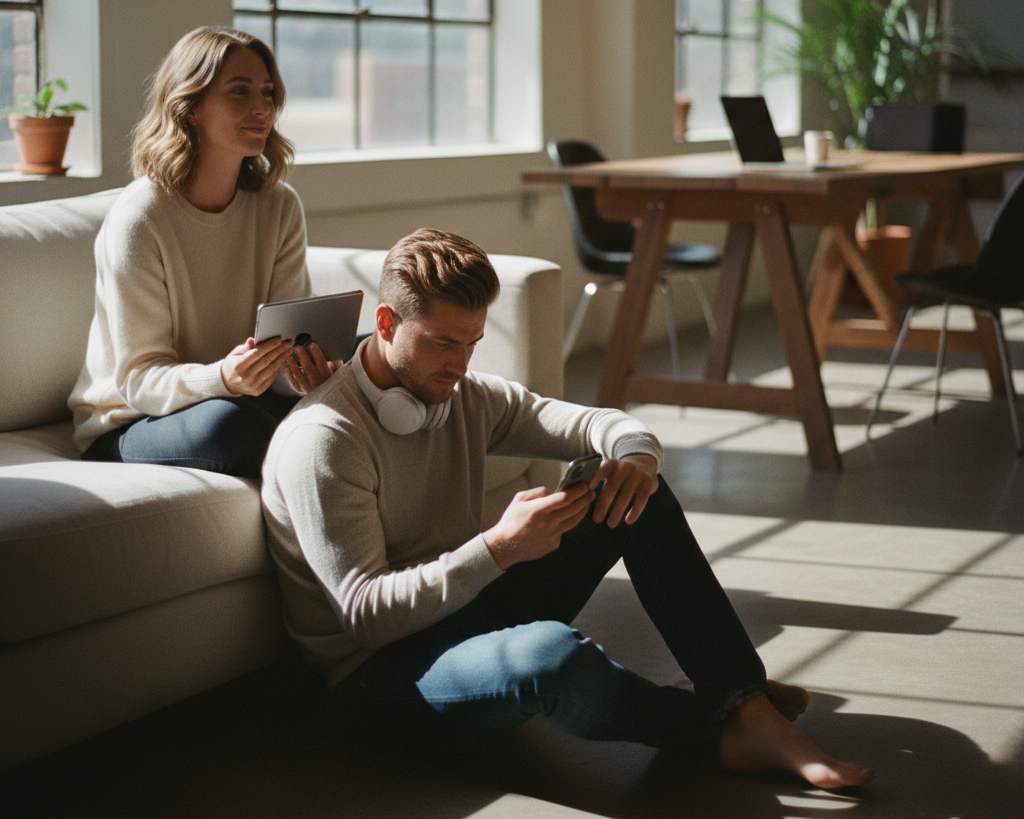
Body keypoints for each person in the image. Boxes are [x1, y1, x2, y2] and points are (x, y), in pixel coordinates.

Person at [261, 229, 875, 789]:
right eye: (444, 342)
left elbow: (600, 424)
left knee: (634, 489)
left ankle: (742, 701)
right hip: (376, 681)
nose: (461, 364)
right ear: (387, 322)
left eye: (473, 342)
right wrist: (498, 548)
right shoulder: (326, 438)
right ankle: (716, 723)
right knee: (550, 656)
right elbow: (366, 617)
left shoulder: (461, 395)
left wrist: (635, 456)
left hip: (460, 616)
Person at [69, 26, 338, 481]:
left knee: (382, 356)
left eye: (268, 92)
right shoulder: (141, 217)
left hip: (244, 393)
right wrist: (224, 379)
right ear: (190, 107)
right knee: (230, 426)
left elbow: (287, 344)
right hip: (138, 420)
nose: (262, 108)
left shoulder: (278, 206)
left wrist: (311, 373)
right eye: (239, 91)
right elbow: (138, 380)